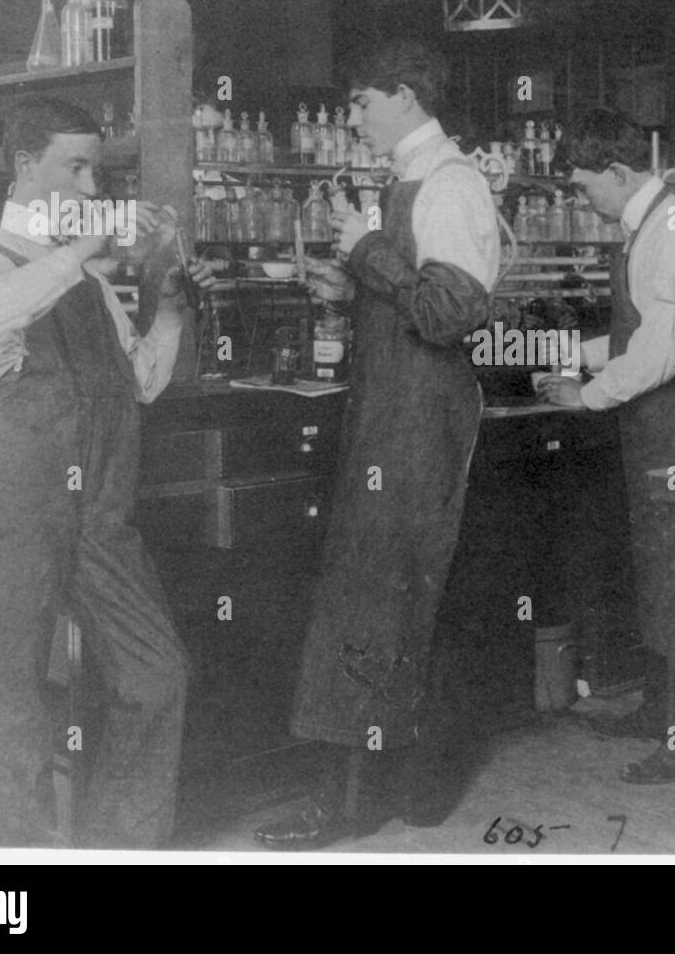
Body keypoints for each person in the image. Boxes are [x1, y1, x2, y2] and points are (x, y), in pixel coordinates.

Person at [0, 97, 215, 848]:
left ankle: (119, 849)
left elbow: (139, 383)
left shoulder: (92, 285)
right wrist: (74, 256)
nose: (93, 189)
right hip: (17, 511)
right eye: (76, 167)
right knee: (10, 697)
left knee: (156, 674)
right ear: (25, 166)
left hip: (98, 515)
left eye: (96, 171)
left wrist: (167, 315)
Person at [254, 41, 500, 850]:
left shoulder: (453, 184)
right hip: (390, 414)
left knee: (378, 597)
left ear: (403, 95)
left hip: (420, 421)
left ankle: (355, 802)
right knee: (372, 597)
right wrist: (354, 285)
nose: (352, 118)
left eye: (361, 102)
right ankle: (386, 789)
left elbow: (448, 313)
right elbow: (412, 297)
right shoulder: (407, 181)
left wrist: (367, 251)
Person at [538, 107, 675, 785]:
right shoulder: (645, 224)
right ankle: (658, 709)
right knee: (654, 568)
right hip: (651, 408)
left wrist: (583, 394)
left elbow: (658, 351)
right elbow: (632, 335)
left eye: (588, 186)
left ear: (619, 172)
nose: (583, 202)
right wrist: (562, 355)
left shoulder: (671, 228)